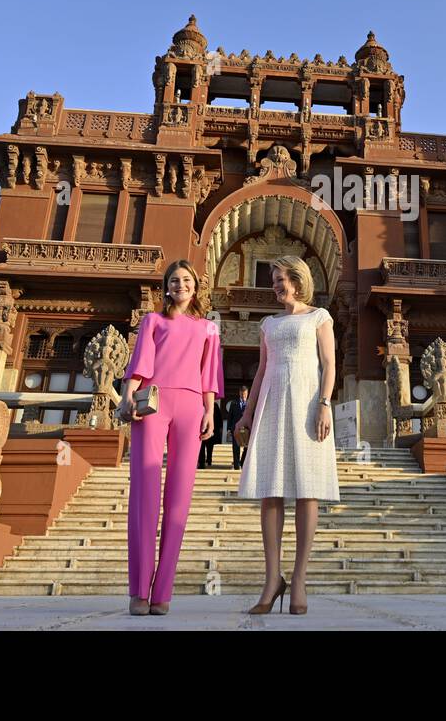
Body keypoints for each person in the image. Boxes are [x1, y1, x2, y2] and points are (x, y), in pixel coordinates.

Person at [233, 255, 339, 615]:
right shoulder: (268, 324)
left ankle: (299, 579)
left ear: (298, 279)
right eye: (273, 279)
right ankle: (271, 580)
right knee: (271, 491)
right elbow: (262, 371)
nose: (276, 285)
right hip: (272, 406)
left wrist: (324, 404)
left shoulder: (319, 317)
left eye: (281, 279)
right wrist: (247, 414)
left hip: (308, 406)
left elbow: (330, 365)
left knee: (308, 490)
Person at [120, 259, 223, 616]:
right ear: (166, 287)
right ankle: (139, 591)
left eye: (187, 279)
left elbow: (209, 373)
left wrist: (210, 411)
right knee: (144, 493)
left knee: (179, 500)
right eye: (175, 280)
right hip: (153, 402)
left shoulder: (209, 328)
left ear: (196, 286)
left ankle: (162, 592)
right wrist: (126, 395)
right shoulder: (153, 320)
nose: (181, 285)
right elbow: (140, 362)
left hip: (191, 406)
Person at [228, 386, 249, 469]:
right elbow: (230, 417)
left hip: (247, 429)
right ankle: (236, 465)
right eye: (242, 393)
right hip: (236, 428)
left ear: (247, 393)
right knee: (236, 447)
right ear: (239, 393)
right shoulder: (234, 403)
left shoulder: (250, 403)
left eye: (245, 394)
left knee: (247, 447)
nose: (243, 395)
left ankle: (242, 462)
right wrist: (229, 429)